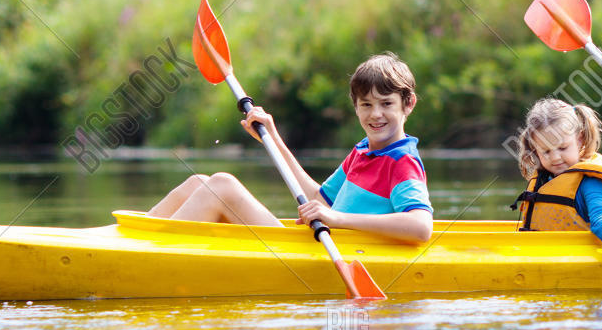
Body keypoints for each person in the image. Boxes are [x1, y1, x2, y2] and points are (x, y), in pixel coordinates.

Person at [148, 53, 432, 244]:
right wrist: (273, 138)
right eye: (366, 105)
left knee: (221, 185)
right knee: (198, 182)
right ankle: (133, 241)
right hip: (317, 244)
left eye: (386, 104)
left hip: (330, 252)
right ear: (355, 107)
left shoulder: (402, 160)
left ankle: (151, 256)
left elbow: (421, 227)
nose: (375, 114)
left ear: (408, 104)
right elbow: (319, 200)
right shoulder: (362, 151)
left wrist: (337, 219)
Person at [512, 98, 602, 259]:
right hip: (540, 258)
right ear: (535, 149)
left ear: (579, 139)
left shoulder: (590, 182)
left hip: (580, 260)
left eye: (562, 148)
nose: (555, 158)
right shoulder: (544, 179)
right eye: (546, 151)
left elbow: (601, 214)